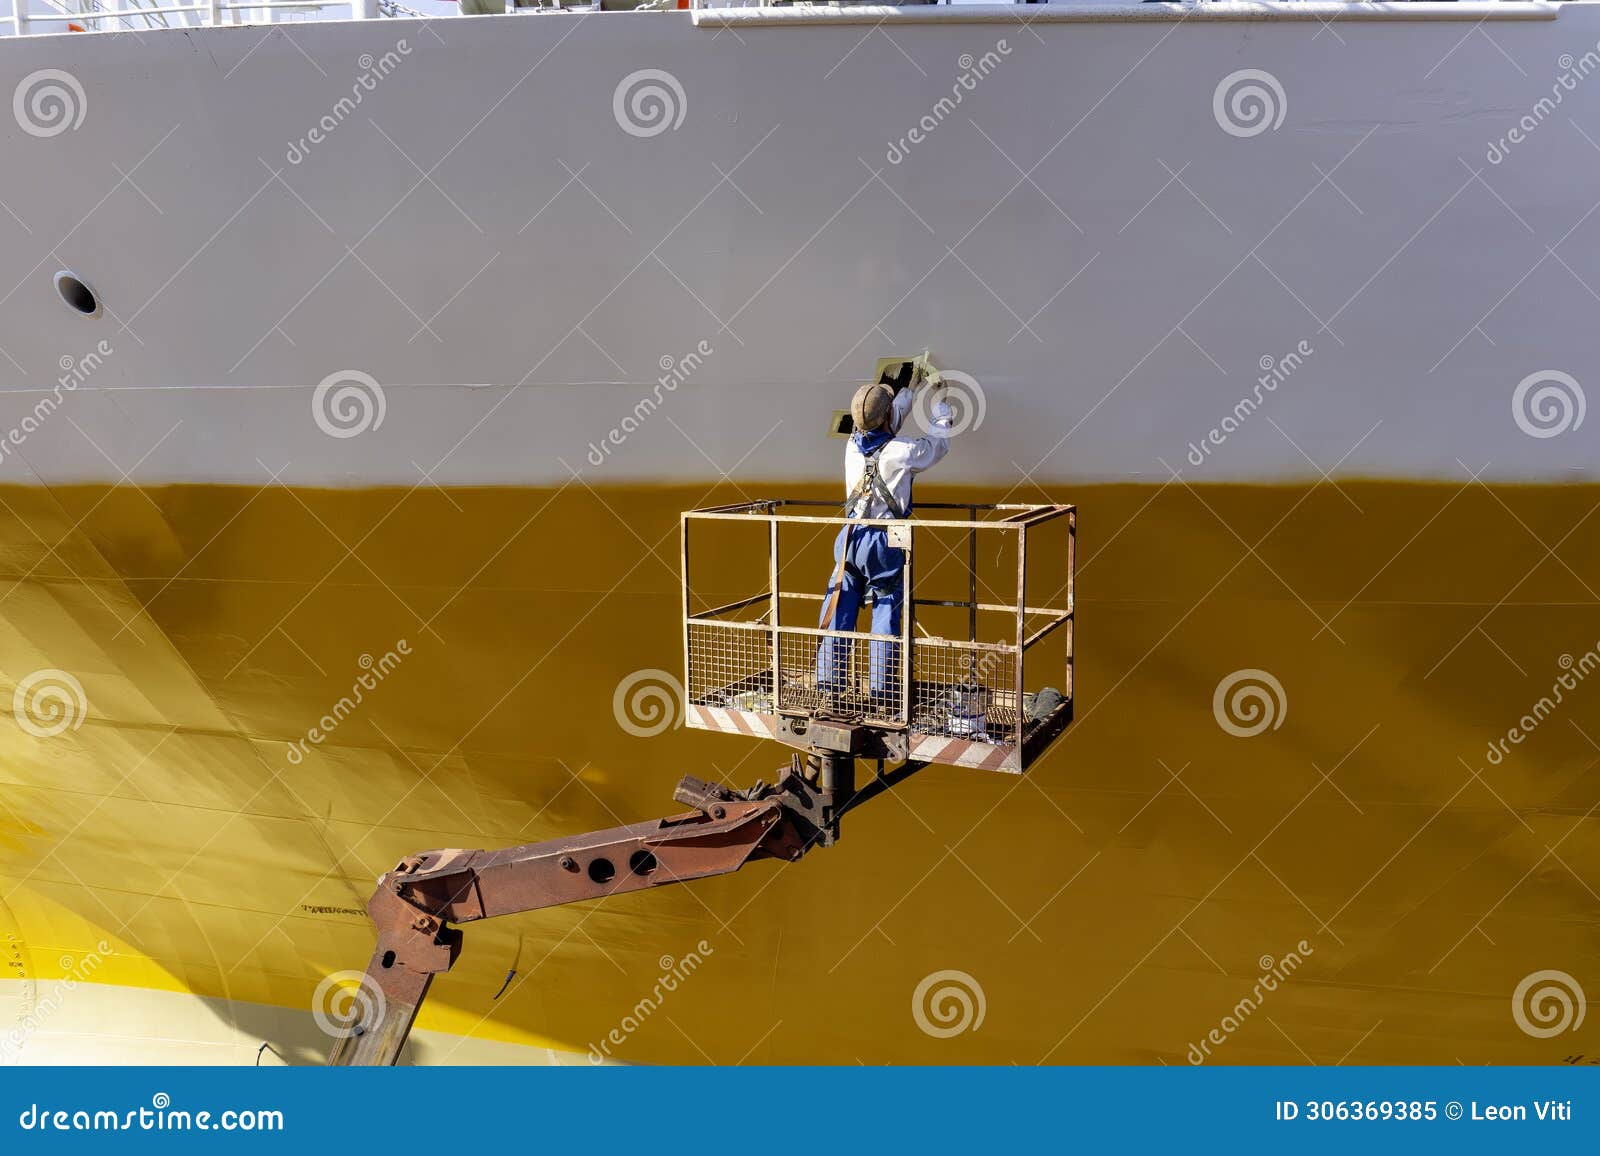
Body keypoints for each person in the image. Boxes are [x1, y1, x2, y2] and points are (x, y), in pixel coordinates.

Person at [816, 376, 953, 708]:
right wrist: (940, 403)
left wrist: (908, 392)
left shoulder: (851, 444)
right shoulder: (904, 450)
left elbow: (886, 418)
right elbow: (938, 446)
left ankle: (828, 684)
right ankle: (881, 692)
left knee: (841, 603)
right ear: (887, 415)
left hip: (849, 536)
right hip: (885, 541)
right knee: (885, 609)